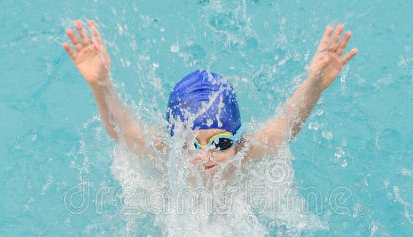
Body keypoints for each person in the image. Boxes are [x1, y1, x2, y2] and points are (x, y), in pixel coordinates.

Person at [62, 20, 357, 173]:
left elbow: (285, 126)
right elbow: (121, 131)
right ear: (177, 141)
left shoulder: (245, 155)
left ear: (236, 139)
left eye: (221, 143)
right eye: (193, 144)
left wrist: (314, 84)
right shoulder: (166, 156)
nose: (207, 156)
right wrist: (101, 85)